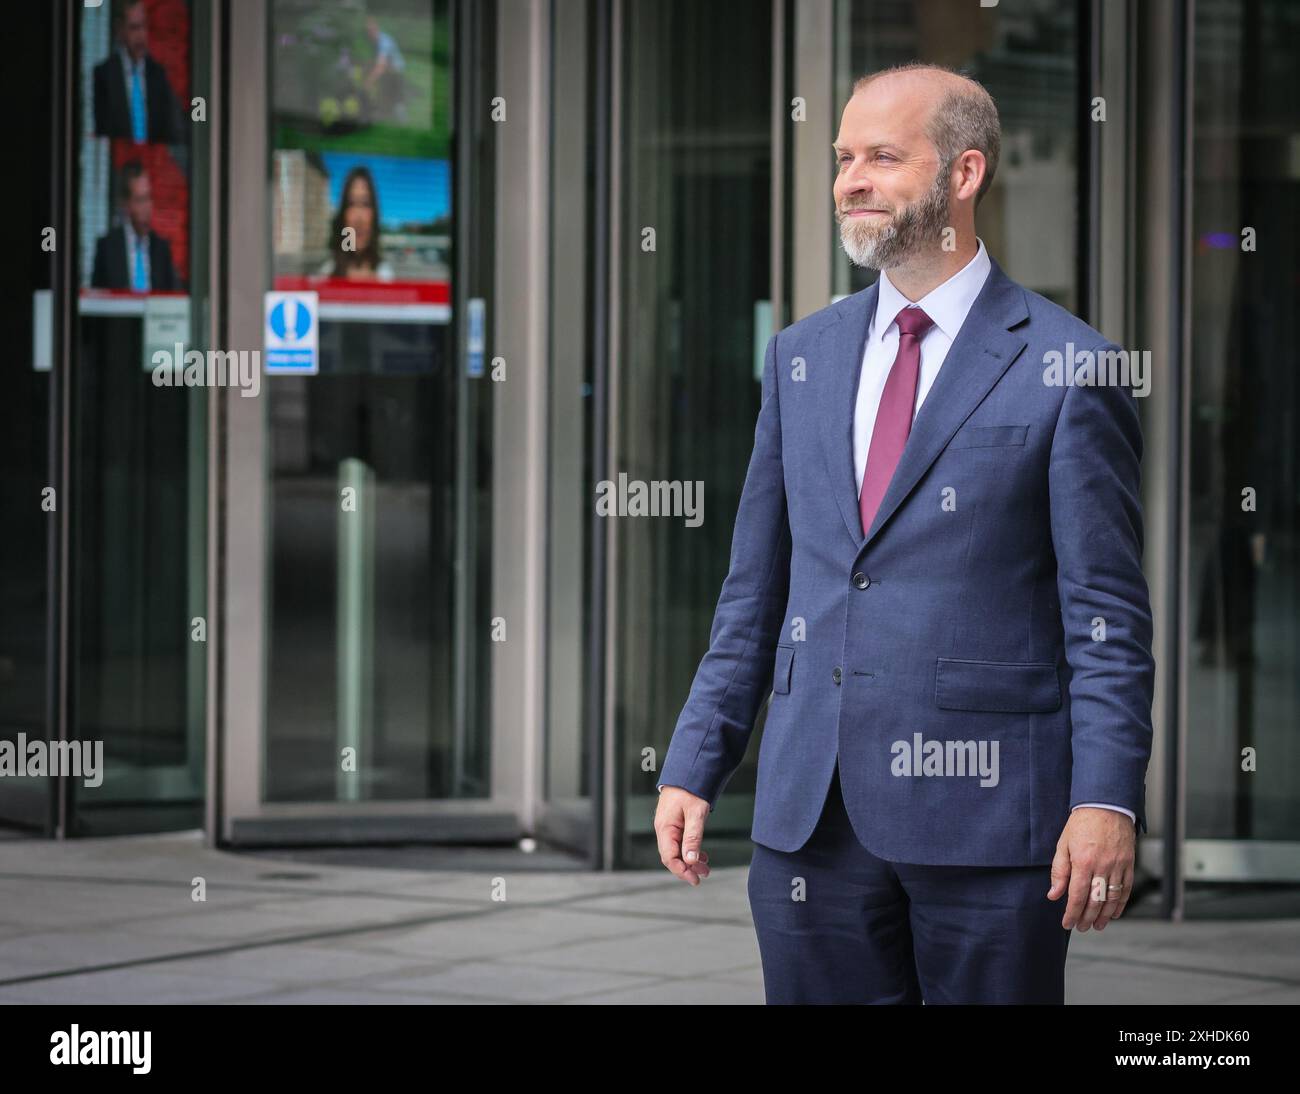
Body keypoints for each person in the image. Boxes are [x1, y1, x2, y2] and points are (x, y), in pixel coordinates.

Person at [654, 63, 1155, 1005]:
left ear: (963, 175)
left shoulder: (1071, 366)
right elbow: (755, 589)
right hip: (811, 820)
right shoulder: (799, 358)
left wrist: (1106, 799)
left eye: (883, 156)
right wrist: (695, 758)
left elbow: (1108, 618)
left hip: (992, 822)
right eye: (845, 156)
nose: (851, 179)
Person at [92, 0, 184, 144]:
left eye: (144, 27)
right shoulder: (104, 75)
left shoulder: (159, 75)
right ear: (120, 30)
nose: (141, 36)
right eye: (134, 28)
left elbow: (171, 132)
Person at [91, 161, 180, 292]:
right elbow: (97, 300)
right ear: (126, 204)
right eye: (140, 200)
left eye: (149, 198)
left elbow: (172, 297)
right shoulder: (107, 247)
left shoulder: (161, 248)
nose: (147, 207)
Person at [322, 165, 394, 281]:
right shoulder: (326, 274)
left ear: (374, 214)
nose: (358, 218)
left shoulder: (385, 277)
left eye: (365, 204)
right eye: (351, 204)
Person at [362, 17, 407, 122]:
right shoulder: (375, 41)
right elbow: (377, 61)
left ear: (375, 30)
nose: (368, 34)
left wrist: (369, 81)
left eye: (370, 31)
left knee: (395, 97)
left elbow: (380, 66)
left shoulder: (384, 42)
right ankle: (384, 112)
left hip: (395, 70)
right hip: (388, 69)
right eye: (367, 31)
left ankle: (401, 118)